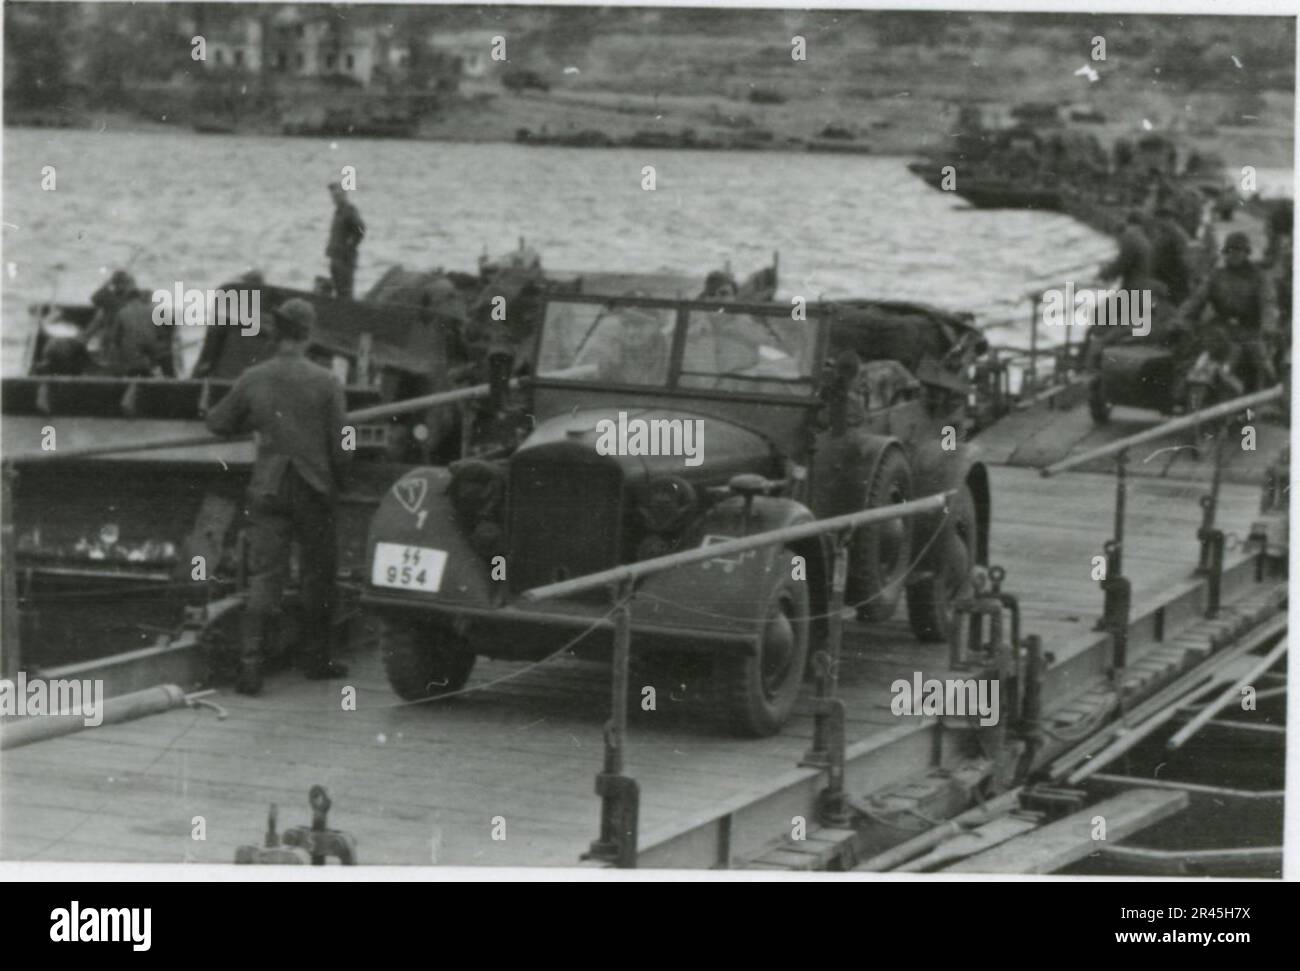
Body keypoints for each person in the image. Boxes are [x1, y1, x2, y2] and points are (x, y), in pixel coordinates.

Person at [205, 298, 353, 694]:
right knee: (318, 577)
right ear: (308, 334)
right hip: (313, 488)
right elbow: (342, 445)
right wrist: (341, 481)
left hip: (269, 486)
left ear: (277, 333)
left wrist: (255, 419)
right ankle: (317, 660)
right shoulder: (327, 382)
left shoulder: (254, 377)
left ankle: (250, 666)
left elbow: (217, 421)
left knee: (264, 577)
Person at [1181, 231, 1279, 394]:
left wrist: (1268, 326)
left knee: (1261, 363)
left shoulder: (1258, 277)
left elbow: (1268, 303)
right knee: (1191, 353)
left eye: (1239, 250)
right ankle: (1185, 394)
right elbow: (1198, 299)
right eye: (1230, 250)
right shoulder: (1217, 275)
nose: (1234, 254)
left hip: (1249, 330)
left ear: (1246, 252)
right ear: (1225, 252)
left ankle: (1262, 401)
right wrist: (1183, 318)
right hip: (1221, 328)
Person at [325, 182, 365, 299]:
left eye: (337, 196)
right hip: (336, 258)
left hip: (345, 260)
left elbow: (360, 230)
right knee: (339, 291)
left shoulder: (349, 211)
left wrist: (350, 246)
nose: (334, 199)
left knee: (345, 294)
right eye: (333, 196)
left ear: (344, 195)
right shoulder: (338, 212)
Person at [1148, 205, 1193, 304]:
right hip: (1163, 278)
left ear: (1168, 219)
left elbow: (1184, 261)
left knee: (1174, 307)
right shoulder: (1164, 234)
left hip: (1174, 280)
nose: (1156, 223)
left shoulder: (1177, 235)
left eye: (1159, 220)